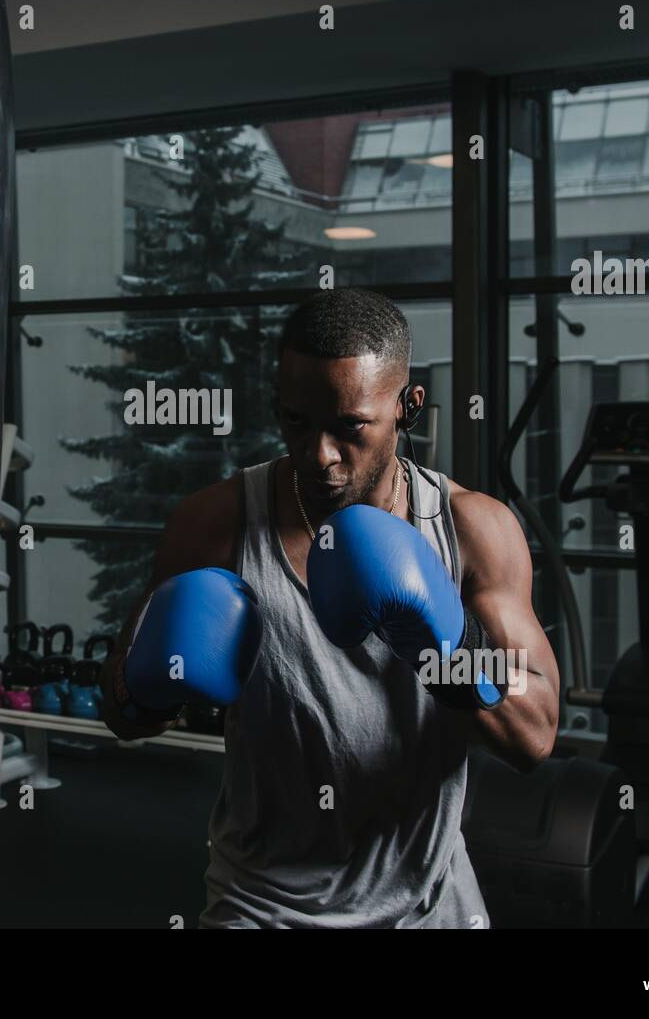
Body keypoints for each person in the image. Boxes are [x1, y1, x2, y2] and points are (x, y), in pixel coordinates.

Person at [99, 287, 560, 928]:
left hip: (429, 906)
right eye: (296, 422)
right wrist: (150, 684)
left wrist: (448, 649)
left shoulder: (472, 529)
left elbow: (534, 734)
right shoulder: (217, 525)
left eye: (349, 427)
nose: (320, 454)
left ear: (409, 408)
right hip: (262, 905)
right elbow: (119, 711)